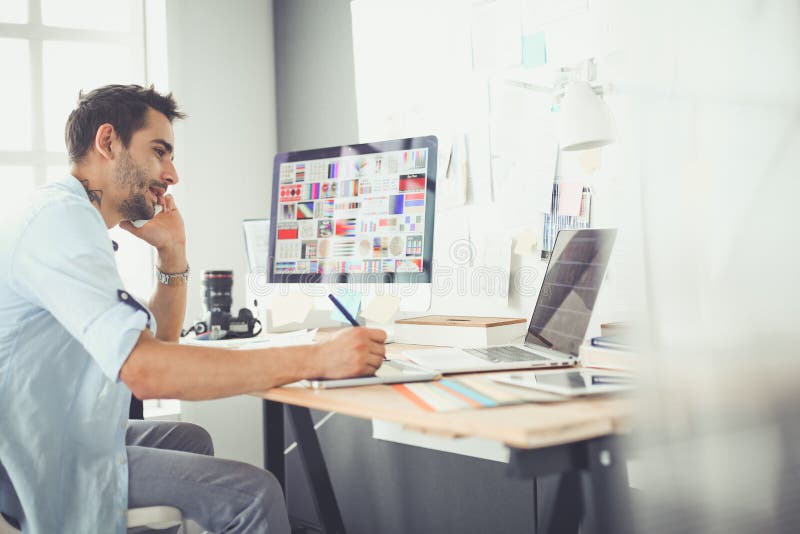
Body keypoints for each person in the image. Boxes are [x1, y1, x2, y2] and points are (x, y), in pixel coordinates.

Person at [0, 84, 387, 534]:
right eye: (159, 152)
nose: (172, 174)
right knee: (254, 494)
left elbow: (160, 344)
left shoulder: (69, 217)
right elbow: (148, 373)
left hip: (53, 433)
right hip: (27, 458)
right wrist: (317, 359)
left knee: (190, 438)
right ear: (107, 142)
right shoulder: (61, 222)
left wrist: (173, 251)